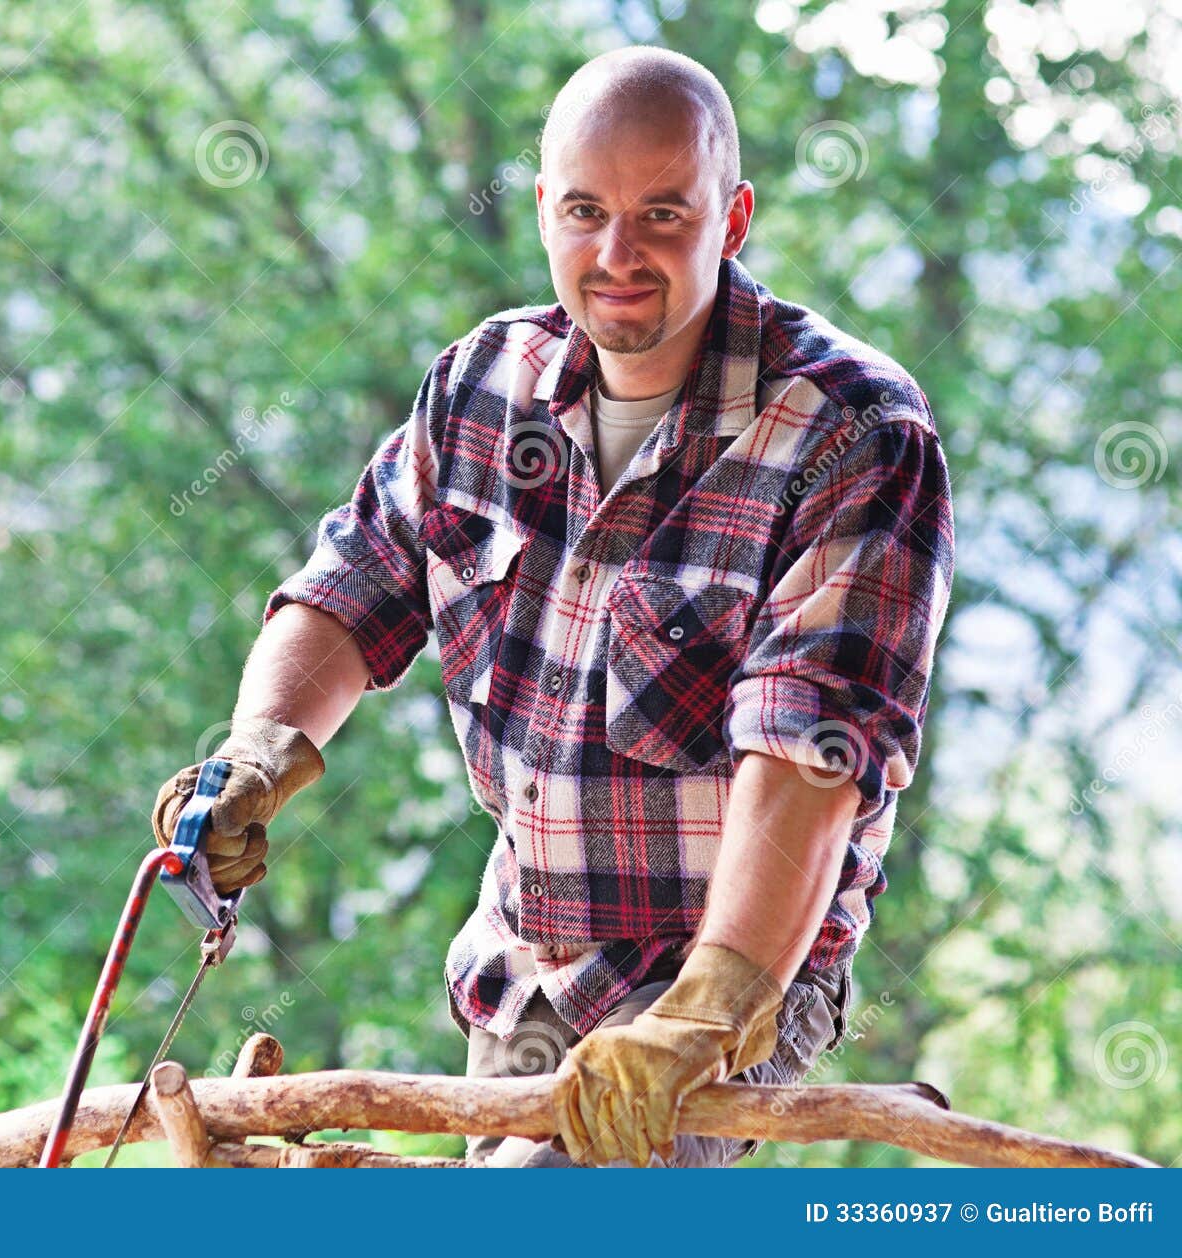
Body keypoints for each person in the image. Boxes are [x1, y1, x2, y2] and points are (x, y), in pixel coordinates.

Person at [152, 45, 954, 1168]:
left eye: (662, 214)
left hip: (724, 976)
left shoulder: (852, 434)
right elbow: (353, 583)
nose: (616, 254)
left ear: (733, 219)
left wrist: (701, 1015)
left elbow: (811, 753)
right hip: (520, 971)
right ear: (542, 209)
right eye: (585, 212)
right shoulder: (483, 386)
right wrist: (257, 754)